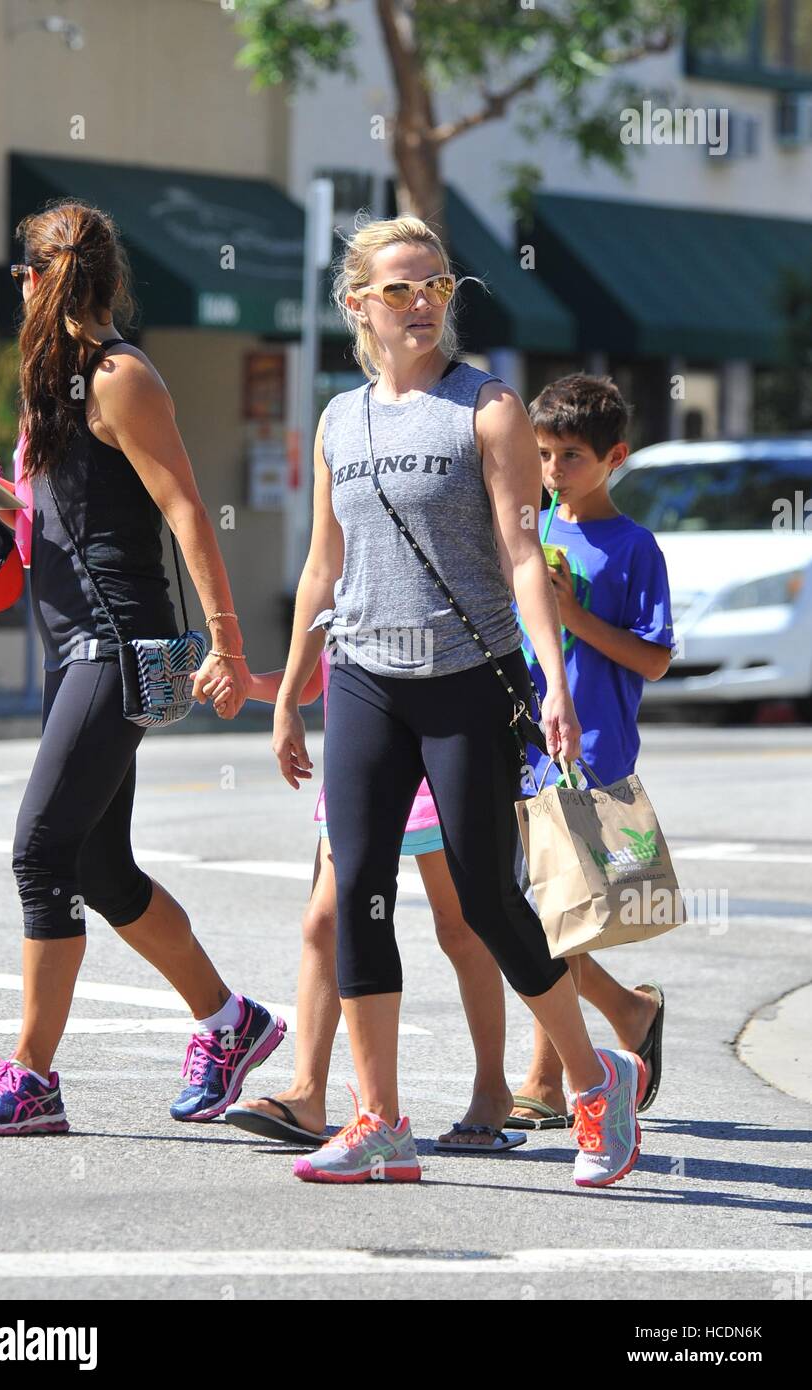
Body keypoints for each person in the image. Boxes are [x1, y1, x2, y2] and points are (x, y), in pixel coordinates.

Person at [270, 212, 647, 1187]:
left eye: (436, 284)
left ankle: (588, 1074)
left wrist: (554, 682)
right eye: (400, 287)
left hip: (467, 677)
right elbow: (322, 565)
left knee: (486, 896)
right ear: (358, 305)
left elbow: (524, 555)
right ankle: (377, 1119)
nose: (423, 301)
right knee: (356, 888)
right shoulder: (337, 420)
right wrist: (286, 690)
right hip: (359, 673)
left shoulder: (486, 410)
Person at [0, 201, 285, 1136]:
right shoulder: (52, 385)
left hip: (122, 645)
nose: (18, 288)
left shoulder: (120, 377)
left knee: (38, 851)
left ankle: (32, 1078)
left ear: (44, 280)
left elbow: (184, 509)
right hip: (78, 650)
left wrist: (226, 643)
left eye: (23, 274)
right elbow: (53, 518)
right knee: (103, 867)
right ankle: (231, 1020)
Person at [226, 647, 521, 1152]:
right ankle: (307, 1095)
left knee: (459, 927)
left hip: (433, 744)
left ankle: (491, 1091)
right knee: (324, 921)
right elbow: (320, 658)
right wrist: (263, 689)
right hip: (362, 744)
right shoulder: (335, 570)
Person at [507, 373, 673, 1129]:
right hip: (521, 737)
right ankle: (627, 1013)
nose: (552, 470)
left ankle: (544, 1081)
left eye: (571, 455)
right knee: (530, 909)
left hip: (593, 742)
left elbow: (654, 659)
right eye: (543, 453)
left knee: (559, 914)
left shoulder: (633, 546)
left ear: (615, 457)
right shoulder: (529, 532)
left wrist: (572, 613)